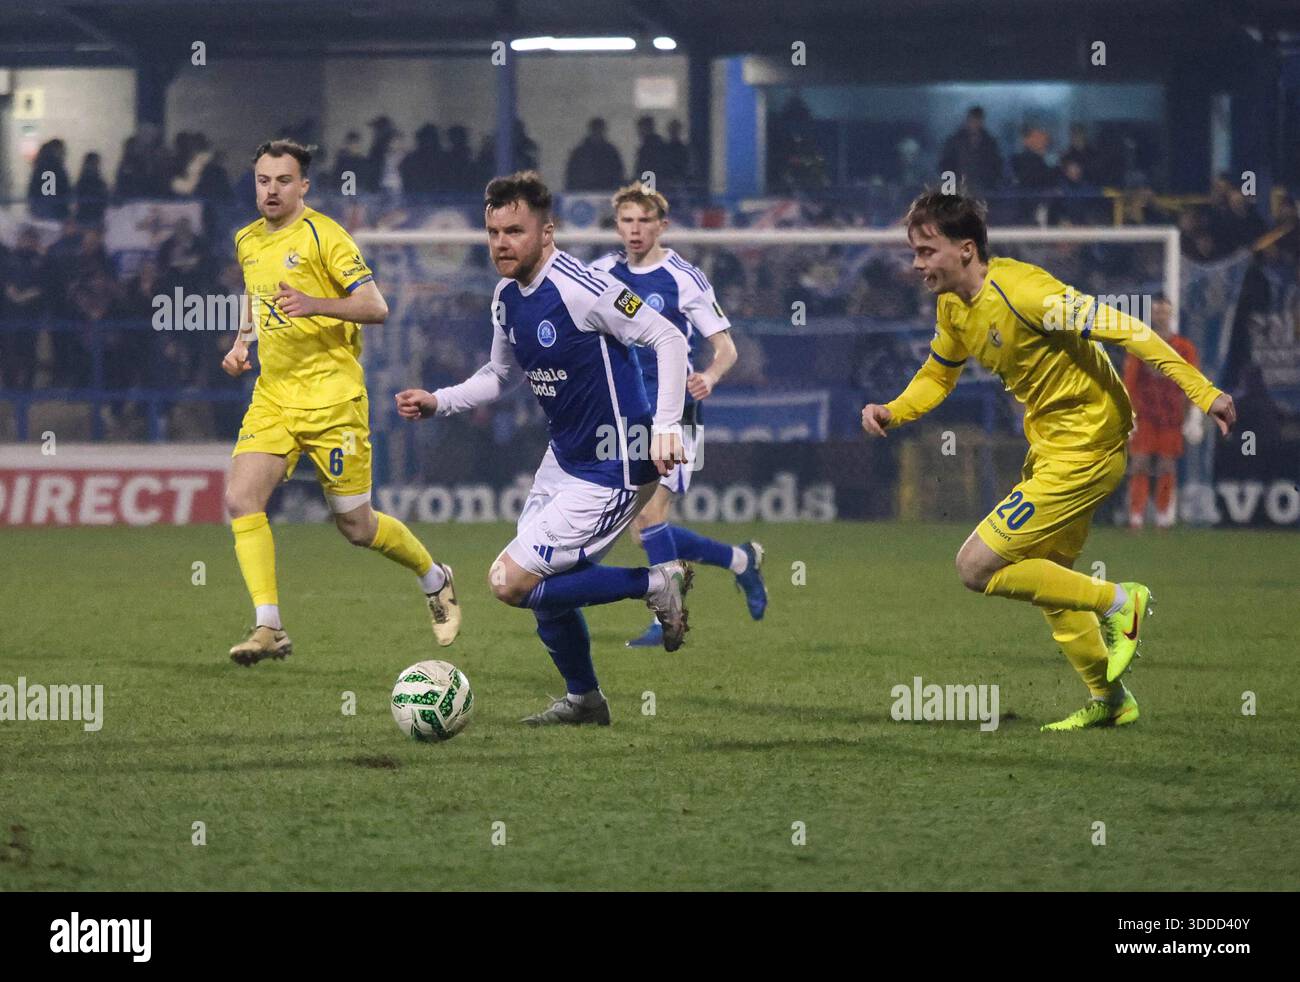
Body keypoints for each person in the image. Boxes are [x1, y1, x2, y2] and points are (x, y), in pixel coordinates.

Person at [861, 191, 1236, 732]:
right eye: (914, 252)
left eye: (926, 251)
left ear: (966, 250)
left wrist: (1204, 393)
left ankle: (1119, 600)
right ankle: (1110, 699)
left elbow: (1128, 330)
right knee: (1049, 579)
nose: (917, 265)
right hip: (1052, 445)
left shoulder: (1029, 294)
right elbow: (940, 373)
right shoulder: (952, 306)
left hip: (1089, 443)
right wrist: (893, 411)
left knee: (975, 566)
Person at [395, 171, 694, 727]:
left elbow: (668, 337)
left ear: (547, 231)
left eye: (514, 231)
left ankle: (657, 581)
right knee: (544, 590)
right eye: (493, 232)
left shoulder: (585, 287)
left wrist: (667, 426)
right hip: (565, 459)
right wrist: (439, 400)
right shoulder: (507, 296)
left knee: (509, 582)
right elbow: (499, 374)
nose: (501, 244)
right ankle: (585, 700)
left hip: (616, 463)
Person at [220, 139, 460, 665]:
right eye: (263, 181)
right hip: (274, 398)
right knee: (241, 498)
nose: (272, 190)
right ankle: (269, 627)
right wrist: (242, 343)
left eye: (283, 181)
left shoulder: (325, 236)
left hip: (334, 402)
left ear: (303, 185)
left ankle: (434, 576)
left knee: (357, 526)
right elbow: (254, 295)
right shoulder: (247, 239)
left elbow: (376, 306)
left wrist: (315, 304)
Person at [591, 182, 767, 648]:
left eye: (644, 221)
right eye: (626, 221)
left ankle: (666, 618)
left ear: (661, 226)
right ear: (617, 225)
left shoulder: (683, 277)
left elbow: (725, 348)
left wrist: (709, 376)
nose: (634, 229)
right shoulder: (603, 272)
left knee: (651, 516)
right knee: (640, 529)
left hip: (676, 410)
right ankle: (740, 560)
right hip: (625, 411)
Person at [1124, 296, 1201, 529]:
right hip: (1145, 414)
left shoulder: (1184, 347)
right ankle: (1136, 516)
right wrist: (1128, 415)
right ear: (1152, 315)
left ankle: (1163, 515)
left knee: (1167, 465)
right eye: (1157, 312)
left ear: (1171, 315)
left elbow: (1193, 382)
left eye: (1165, 312)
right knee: (1140, 462)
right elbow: (1129, 381)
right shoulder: (1140, 344)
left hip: (1171, 415)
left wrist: (1193, 417)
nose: (1161, 316)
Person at [938, 107, 1003, 194]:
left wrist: (991, 183)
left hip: (984, 190)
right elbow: (946, 165)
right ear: (967, 121)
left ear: (982, 121)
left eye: (978, 120)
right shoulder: (955, 141)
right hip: (958, 189)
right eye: (973, 120)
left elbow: (996, 165)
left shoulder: (990, 143)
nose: (975, 123)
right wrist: (950, 187)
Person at [563, 118, 625, 192]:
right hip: (584, 192)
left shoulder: (611, 152)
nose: (597, 132)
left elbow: (618, 174)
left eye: (599, 129)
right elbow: (571, 174)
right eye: (595, 129)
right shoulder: (580, 152)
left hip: (606, 192)